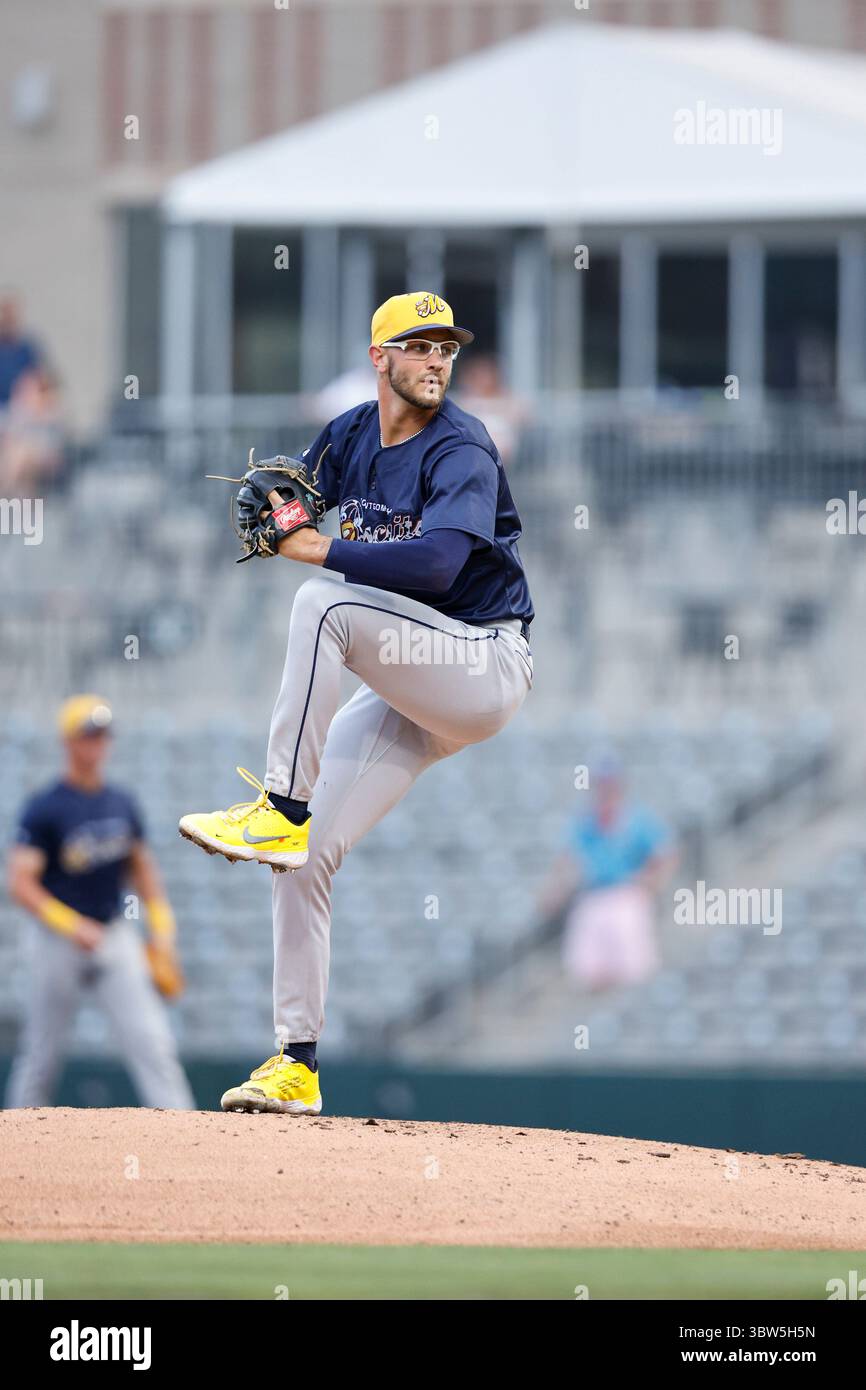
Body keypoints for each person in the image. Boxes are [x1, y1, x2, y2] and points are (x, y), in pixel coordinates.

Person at [179, 290, 535, 1116]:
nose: (437, 360)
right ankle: (295, 1063)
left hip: (481, 663)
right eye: (419, 347)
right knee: (302, 857)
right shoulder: (348, 433)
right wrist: (281, 513)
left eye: (446, 347)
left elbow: (442, 566)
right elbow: (296, 496)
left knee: (322, 602)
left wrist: (311, 546)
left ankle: (280, 802)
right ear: (380, 358)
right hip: (413, 683)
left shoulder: (463, 449)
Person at [5, 695, 194, 1109]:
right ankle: (15, 1139)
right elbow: (20, 883)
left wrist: (162, 927)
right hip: (58, 941)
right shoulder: (46, 807)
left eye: (101, 736)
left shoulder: (120, 802)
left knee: (153, 1044)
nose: (96, 744)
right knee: (41, 1054)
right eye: (87, 735)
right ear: (68, 741)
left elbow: (142, 868)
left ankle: (186, 1137)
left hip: (113, 934)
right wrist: (72, 925)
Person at [539, 753, 676, 992]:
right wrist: (554, 892)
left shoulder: (637, 820)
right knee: (585, 971)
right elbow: (567, 860)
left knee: (634, 970)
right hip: (592, 896)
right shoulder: (585, 822)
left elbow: (665, 853)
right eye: (601, 785)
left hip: (625, 895)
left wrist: (652, 882)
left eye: (609, 784)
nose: (605, 791)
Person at [0, 296, 43, 408]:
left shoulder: (26, 348)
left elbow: (37, 377)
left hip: (21, 407)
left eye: (11, 315)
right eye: (5, 314)